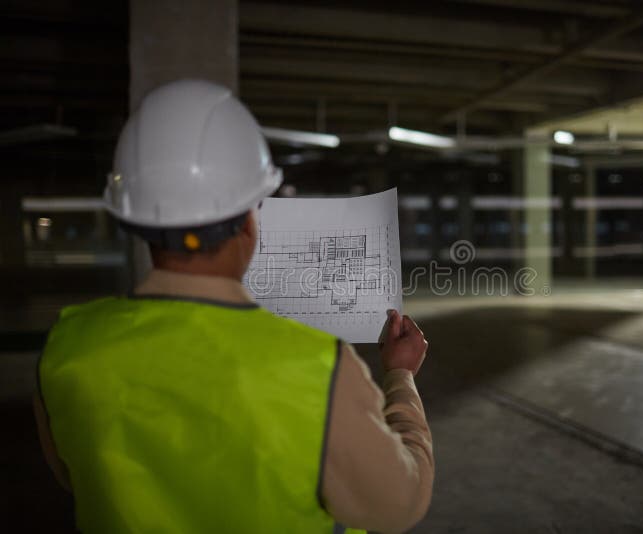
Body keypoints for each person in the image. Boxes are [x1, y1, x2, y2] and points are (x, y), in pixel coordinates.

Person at [33, 79, 433, 534]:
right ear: (250, 219)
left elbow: (73, 473)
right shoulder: (315, 366)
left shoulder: (68, 346)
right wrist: (400, 377)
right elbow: (397, 505)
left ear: (134, 220)